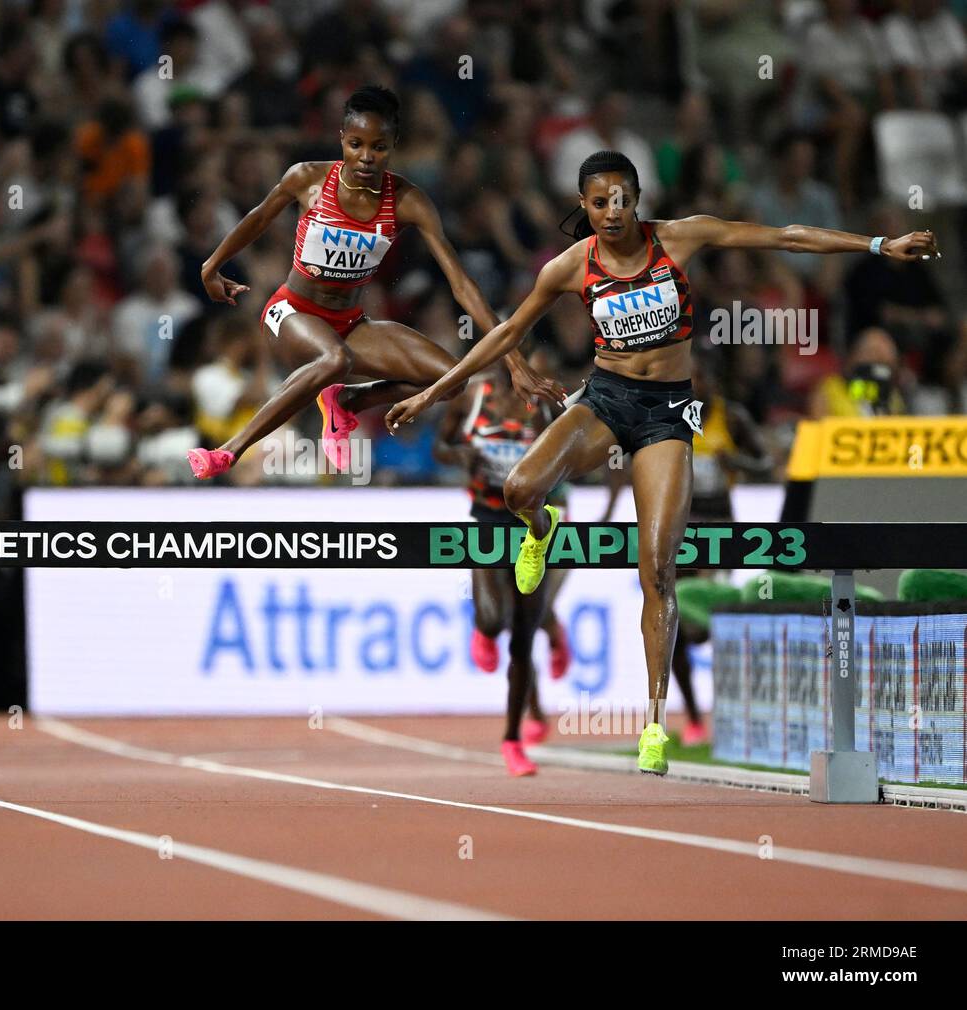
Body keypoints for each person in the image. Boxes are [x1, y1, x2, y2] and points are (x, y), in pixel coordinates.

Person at [385, 149, 937, 776]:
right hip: (604, 398)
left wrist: (876, 244)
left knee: (658, 570)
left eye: (622, 199)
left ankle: (654, 726)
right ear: (584, 206)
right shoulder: (570, 267)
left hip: (669, 412)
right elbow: (506, 334)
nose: (612, 212)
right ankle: (542, 534)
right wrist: (434, 392)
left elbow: (783, 236)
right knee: (519, 489)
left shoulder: (679, 239)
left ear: (639, 199)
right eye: (599, 202)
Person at [186, 85, 555, 480]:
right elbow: (258, 219)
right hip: (291, 312)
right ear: (342, 139)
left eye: (378, 147)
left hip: (350, 324)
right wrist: (212, 266)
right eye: (356, 144)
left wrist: (513, 362)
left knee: (451, 380)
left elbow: (462, 285)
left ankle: (347, 401)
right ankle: (228, 451)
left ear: (393, 144)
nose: (365, 157)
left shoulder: (407, 201)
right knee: (336, 359)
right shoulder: (308, 178)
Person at [433, 355, 568, 776]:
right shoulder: (474, 396)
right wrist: (461, 458)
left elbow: (569, 460)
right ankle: (485, 628)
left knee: (523, 638)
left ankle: (513, 739)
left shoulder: (545, 406)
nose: (534, 377)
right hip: (486, 522)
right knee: (494, 621)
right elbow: (441, 446)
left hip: (533, 526)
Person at [671, 350, 772, 746]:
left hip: (719, 527)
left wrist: (737, 460)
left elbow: (766, 462)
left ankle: (733, 711)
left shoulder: (731, 417)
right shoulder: (667, 415)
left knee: (705, 627)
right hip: (679, 526)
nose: (690, 387)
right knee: (675, 623)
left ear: (709, 382)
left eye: (696, 379)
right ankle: (694, 717)